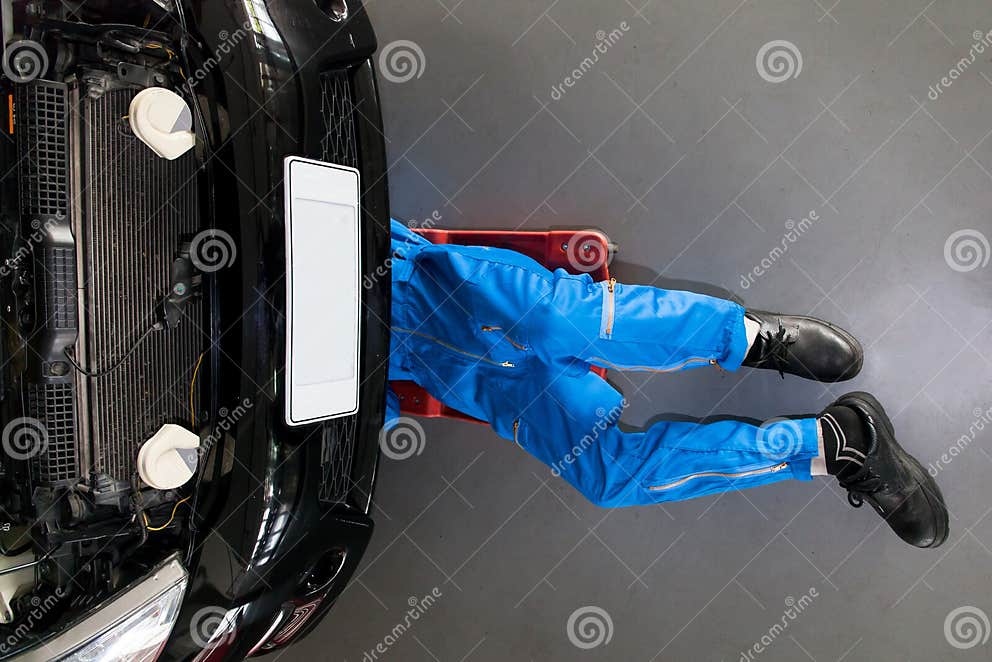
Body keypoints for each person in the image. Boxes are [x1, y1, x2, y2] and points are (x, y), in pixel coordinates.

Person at [384, 219, 948, 549]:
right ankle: (836, 445)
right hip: (468, 380)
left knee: (556, 320)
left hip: (422, 287)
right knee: (607, 479)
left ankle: (747, 337)